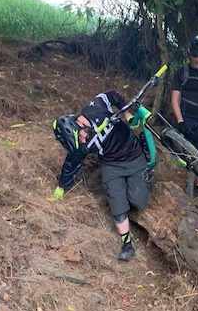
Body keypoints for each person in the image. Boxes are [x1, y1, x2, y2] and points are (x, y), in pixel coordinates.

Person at [52, 90, 151, 262]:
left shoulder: (96, 107)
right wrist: (60, 189)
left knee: (138, 202)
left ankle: (144, 175)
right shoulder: (80, 144)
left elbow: (113, 95)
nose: (83, 142)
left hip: (134, 155)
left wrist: (127, 114)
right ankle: (127, 244)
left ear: (79, 124)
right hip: (111, 165)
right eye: (79, 142)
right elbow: (71, 164)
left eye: (81, 137)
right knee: (117, 204)